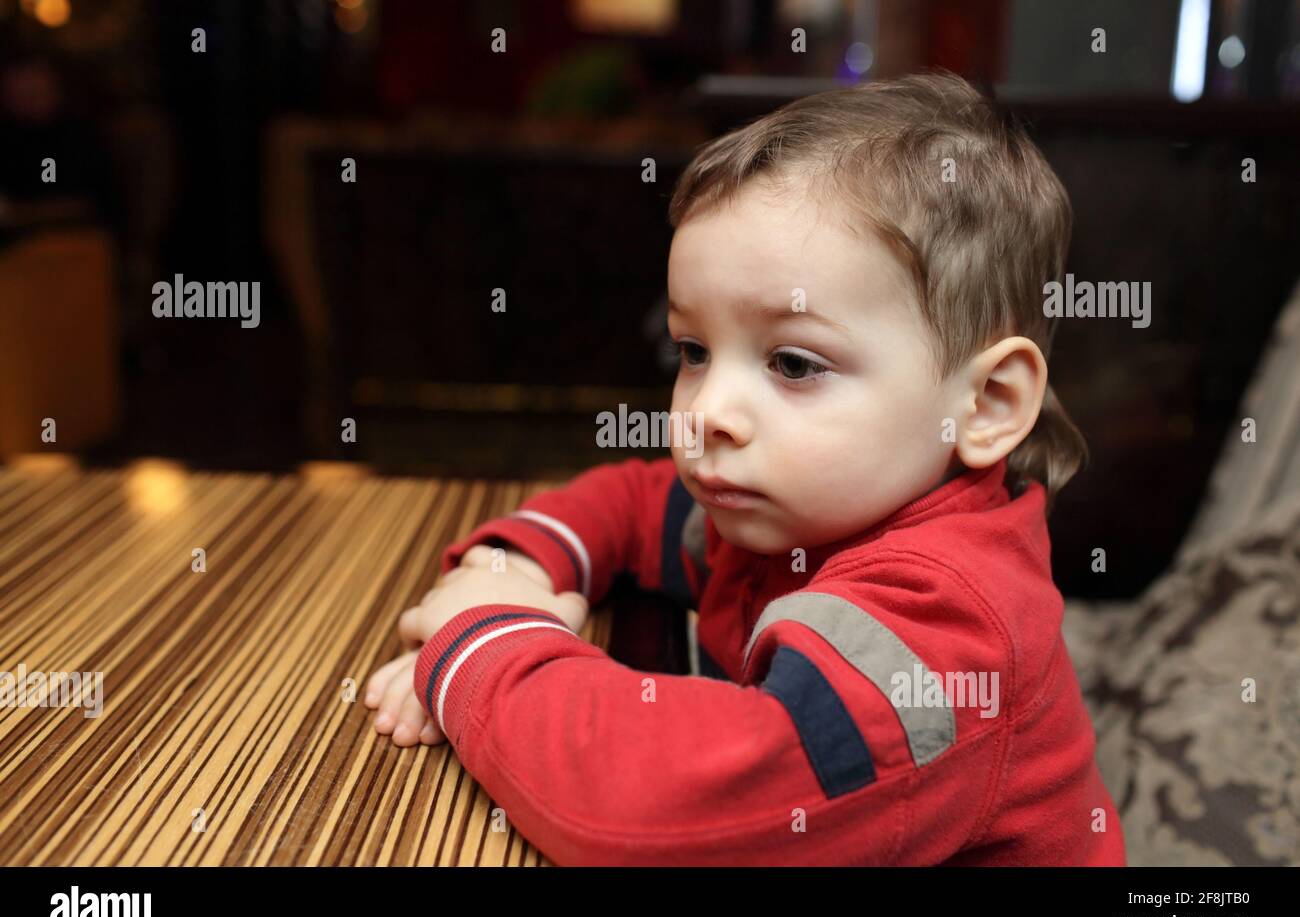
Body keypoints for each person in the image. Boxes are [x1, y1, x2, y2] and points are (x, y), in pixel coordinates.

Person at [364, 71, 1125, 866]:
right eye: (694, 350)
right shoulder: (789, 507)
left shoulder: (944, 630)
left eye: (794, 363)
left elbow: (654, 816)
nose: (707, 412)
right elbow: (633, 502)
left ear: (987, 404)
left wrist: (485, 641)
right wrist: (514, 569)